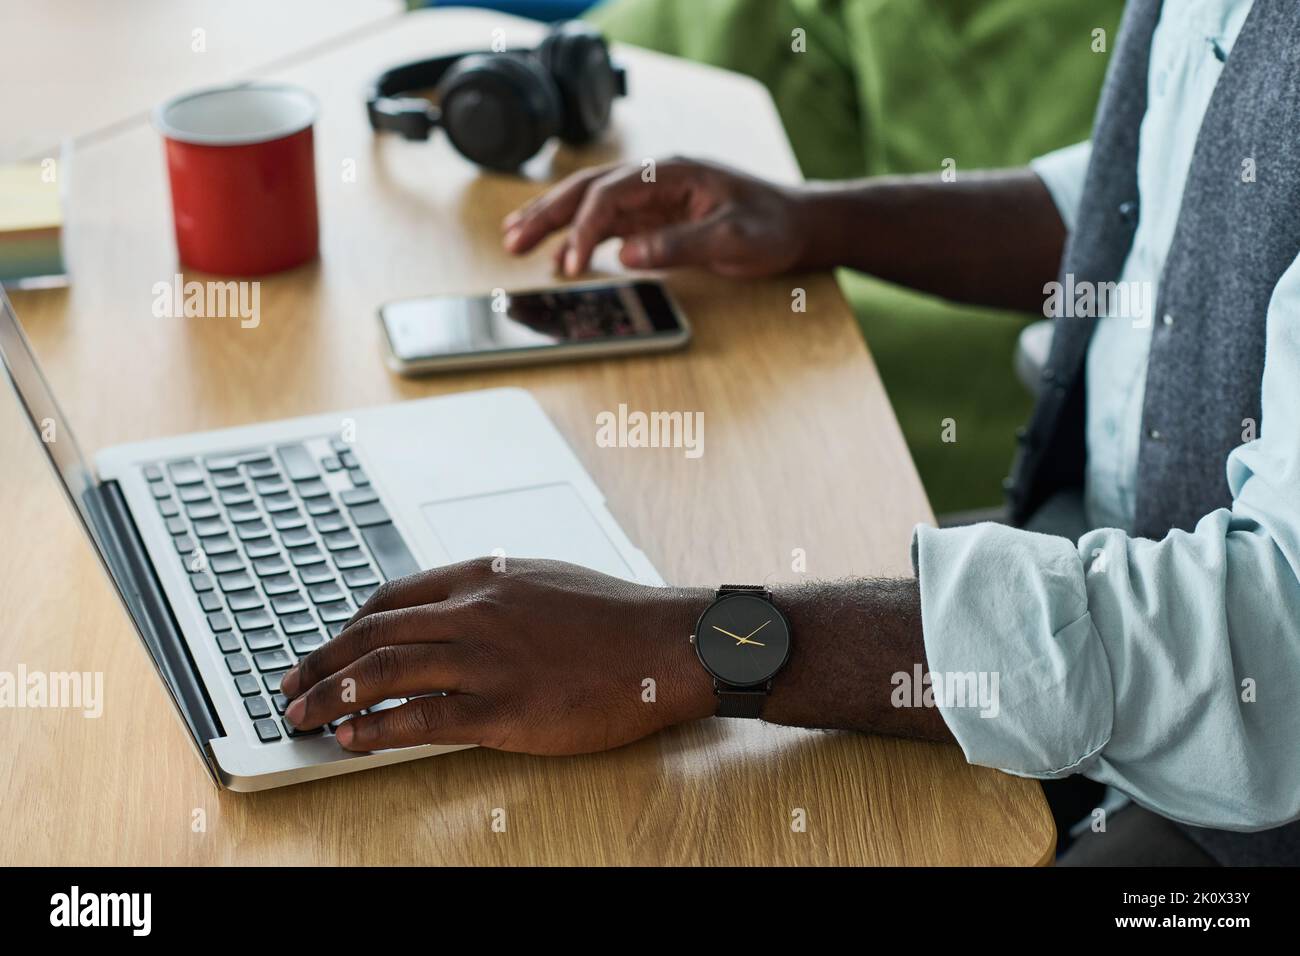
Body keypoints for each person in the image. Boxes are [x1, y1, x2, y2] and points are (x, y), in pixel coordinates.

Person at [280, 0, 1300, 865]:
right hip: (1106, 578)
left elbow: (1265, 645)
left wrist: (682, 643)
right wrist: (817, 221)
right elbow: (1149, 196)